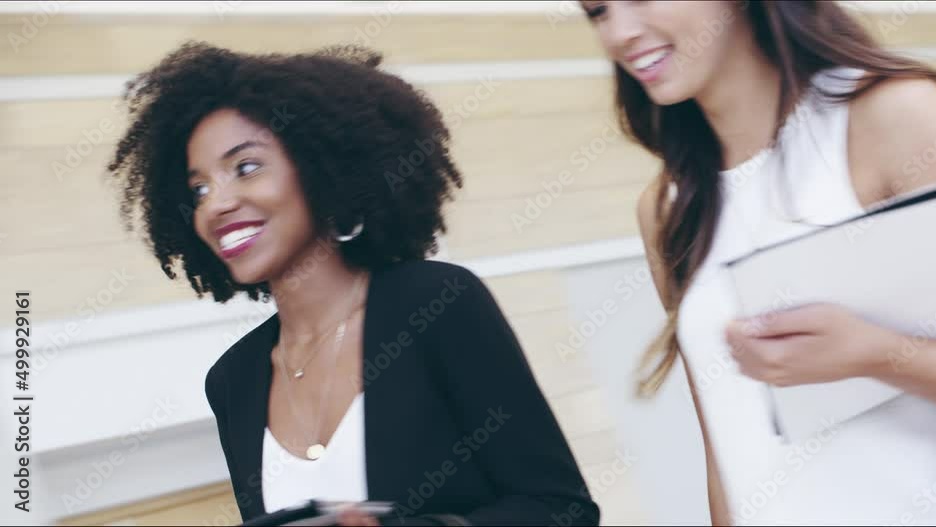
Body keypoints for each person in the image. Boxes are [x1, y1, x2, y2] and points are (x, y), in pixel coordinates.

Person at [107, 41, 599, 526]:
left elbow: (561, 509)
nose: (216, 203)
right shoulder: (234, 380)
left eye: (246, 167)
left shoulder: (436, 303)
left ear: (323, 167)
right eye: (199, 189)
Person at [581, 0, 936, 525]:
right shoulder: (667, 208)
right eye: (596, 11)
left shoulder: (889, 116)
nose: (619, 33)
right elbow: (724, 448)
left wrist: (876, 355)